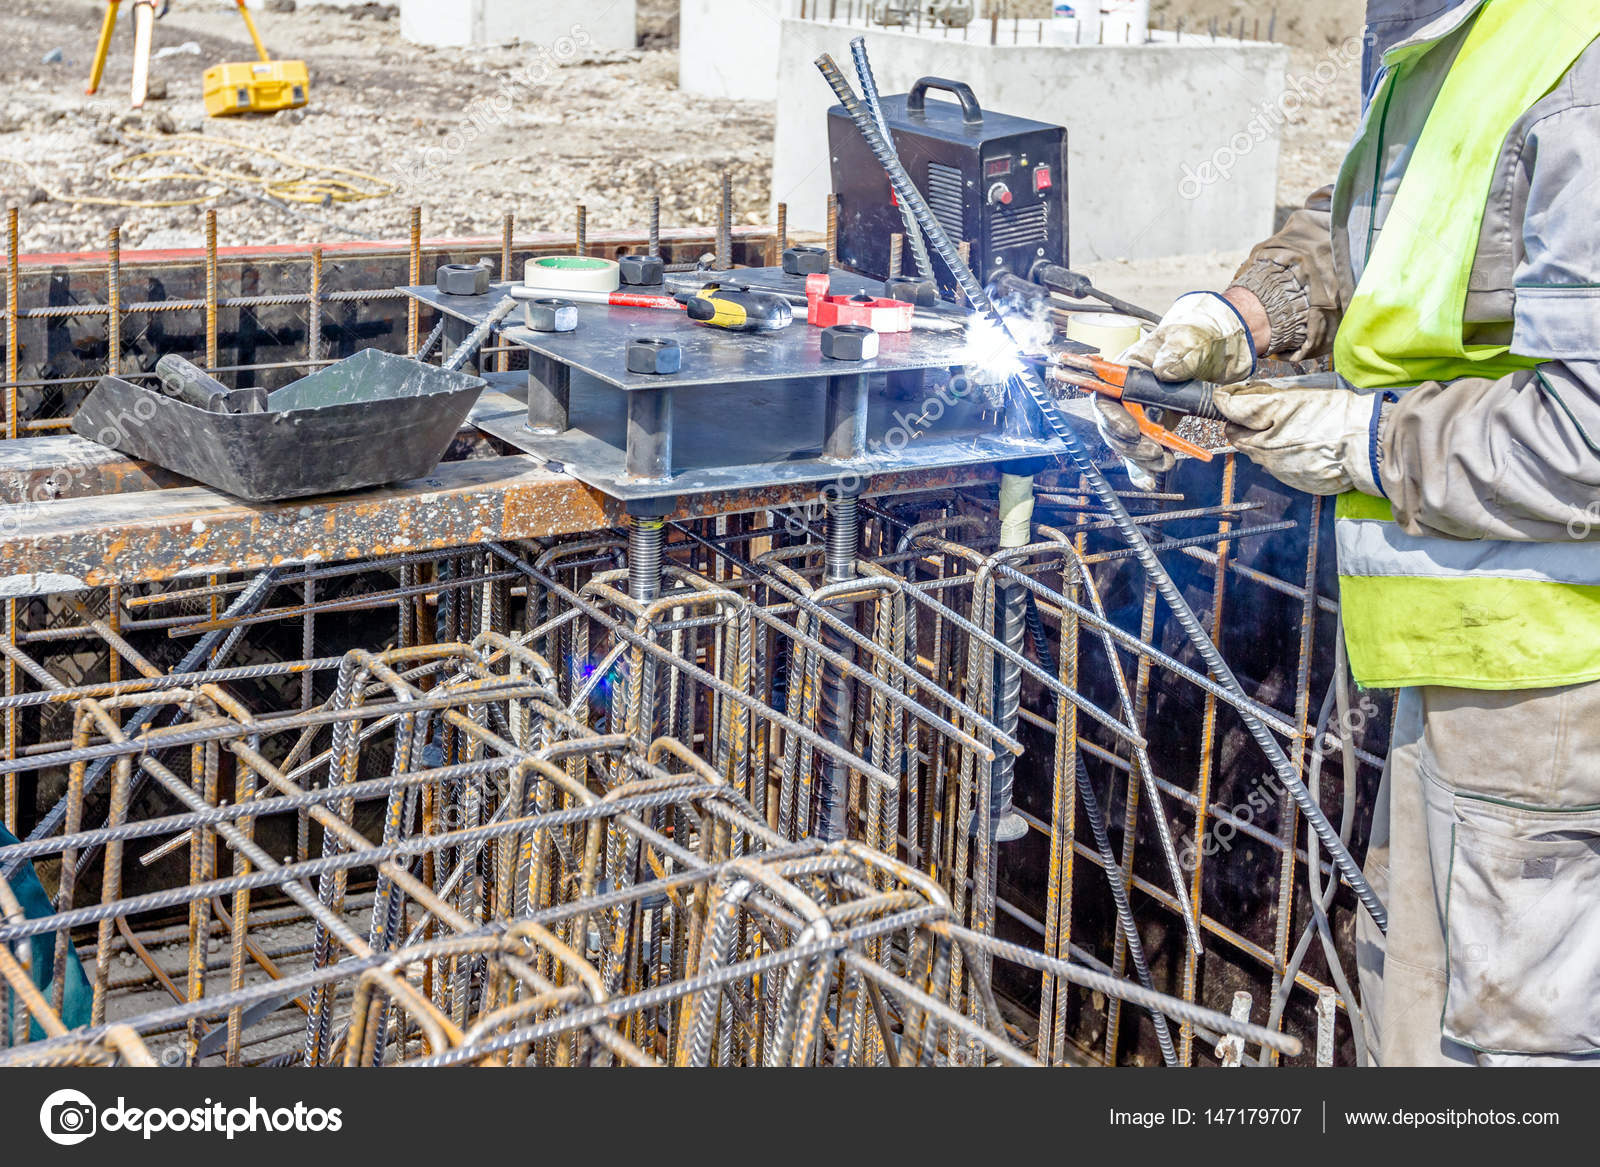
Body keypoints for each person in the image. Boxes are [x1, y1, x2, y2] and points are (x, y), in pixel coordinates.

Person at [1097, 0, 1600, 1065]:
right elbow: (1386, 222)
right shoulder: (1460, 36)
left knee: (1512, 1058)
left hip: (1555, 689)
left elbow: (1588, 432)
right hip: (1455, 666)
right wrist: (1246, 314)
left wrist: (1366, 440)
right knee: (1411, 1029)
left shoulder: (1580, 64)